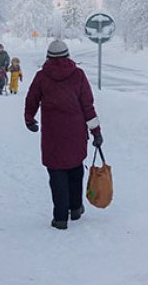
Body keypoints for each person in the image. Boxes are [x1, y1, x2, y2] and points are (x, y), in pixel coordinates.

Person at [24, 40, 103, 230]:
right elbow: (87, 106)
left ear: (48, 57)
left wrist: (29, 119)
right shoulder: (78, 76)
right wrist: (96, 132)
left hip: (53, 134)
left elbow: (31, 99)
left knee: (56, 174)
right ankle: (75, 209)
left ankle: (60, 217)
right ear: (67, 55)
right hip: (75, 133)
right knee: (76, 169)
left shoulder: (42, 77)